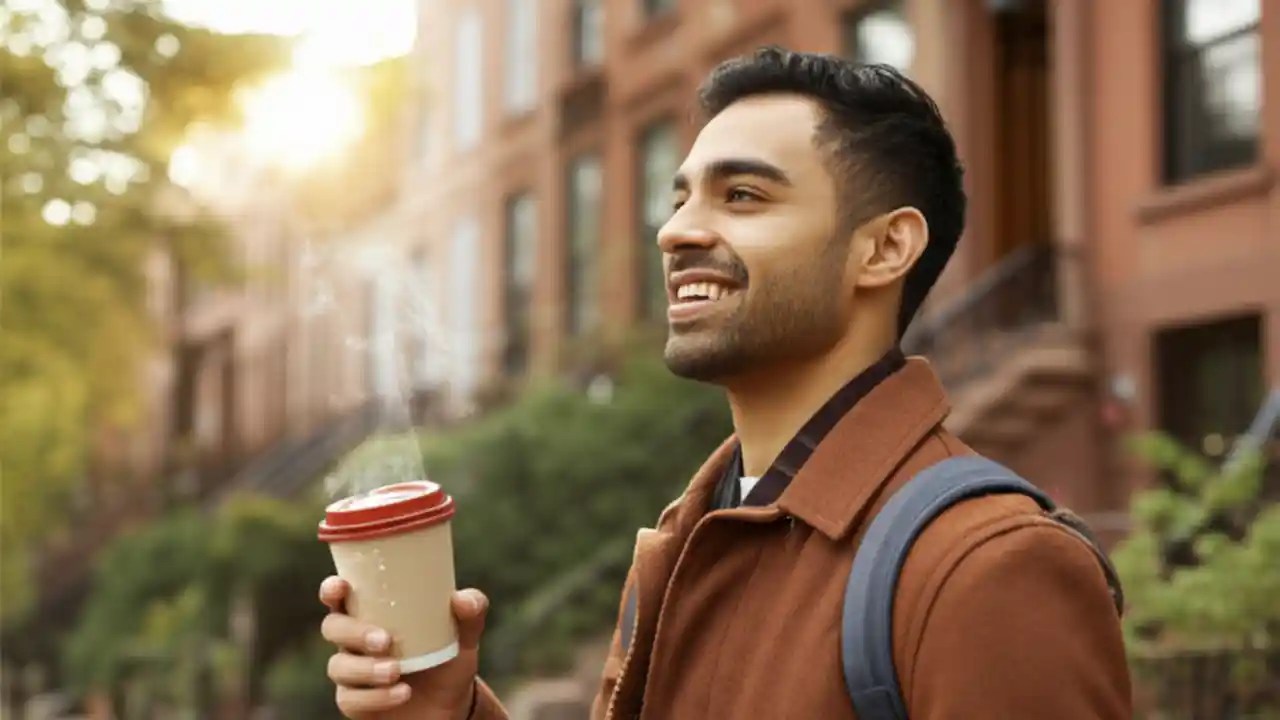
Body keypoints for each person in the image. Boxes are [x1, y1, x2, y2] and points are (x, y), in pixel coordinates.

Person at [318, 47, 1132, 719]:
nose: (676, 231)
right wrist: (447, 711)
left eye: (742, 195)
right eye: (681, 198)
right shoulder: (695, 532)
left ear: (883, 250)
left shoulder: (988, 569)